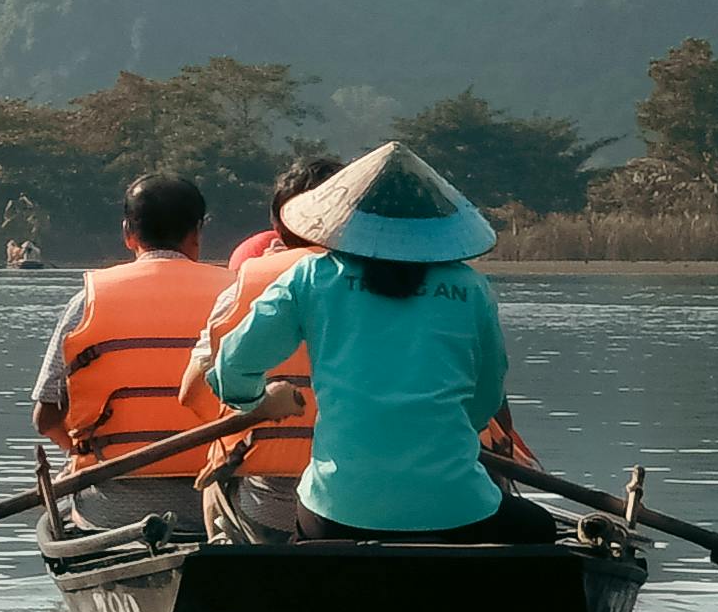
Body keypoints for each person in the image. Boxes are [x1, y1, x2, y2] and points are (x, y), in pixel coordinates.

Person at [199, 142, 546, 539]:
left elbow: (230, 372)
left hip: (336, 510)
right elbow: (485, 399)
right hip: (458, 507)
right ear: (431, 224)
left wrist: (262, 399)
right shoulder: (470, 287)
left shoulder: (311, 276)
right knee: (540, 528)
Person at [32, 174, 231, 525]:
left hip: (109, 507)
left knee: (57, 517)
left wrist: (79, 452)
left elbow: (46, 418)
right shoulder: (237, 296)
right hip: (216, 504)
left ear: (128, 233)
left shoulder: (87, 301)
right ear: (198, 231)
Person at [185, 151, 340, 533]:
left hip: (269, 505)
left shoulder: (248, 286)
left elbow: (192, 394)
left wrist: (257, 408)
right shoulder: (410, 285)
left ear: (278, 225)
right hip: (381, 495)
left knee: (217, 464)